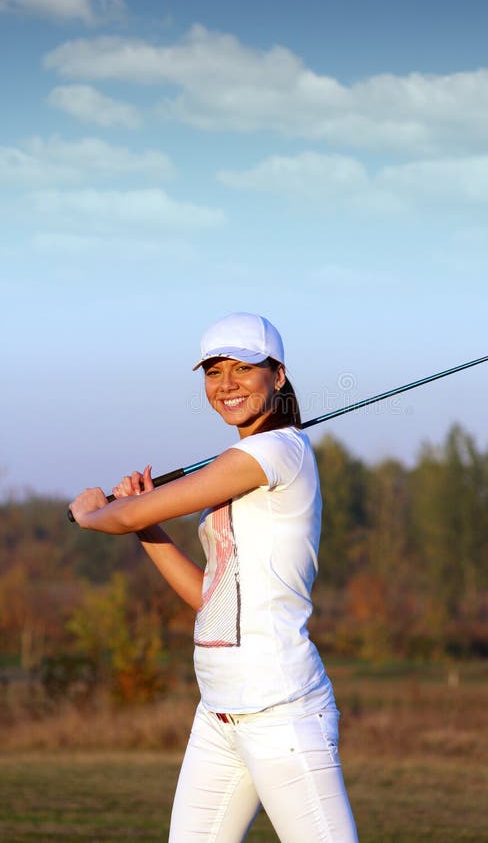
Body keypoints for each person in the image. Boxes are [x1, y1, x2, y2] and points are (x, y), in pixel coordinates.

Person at [69, 311, 359, 843]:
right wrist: (144, 523)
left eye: (243, 369)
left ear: (278, 375)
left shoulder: (275, 451)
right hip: (220, 713)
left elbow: (122, 515)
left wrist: (95, 513)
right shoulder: (246, 458)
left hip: (279, 712)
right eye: (213, 371)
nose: (226, 384)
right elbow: (211, 601)